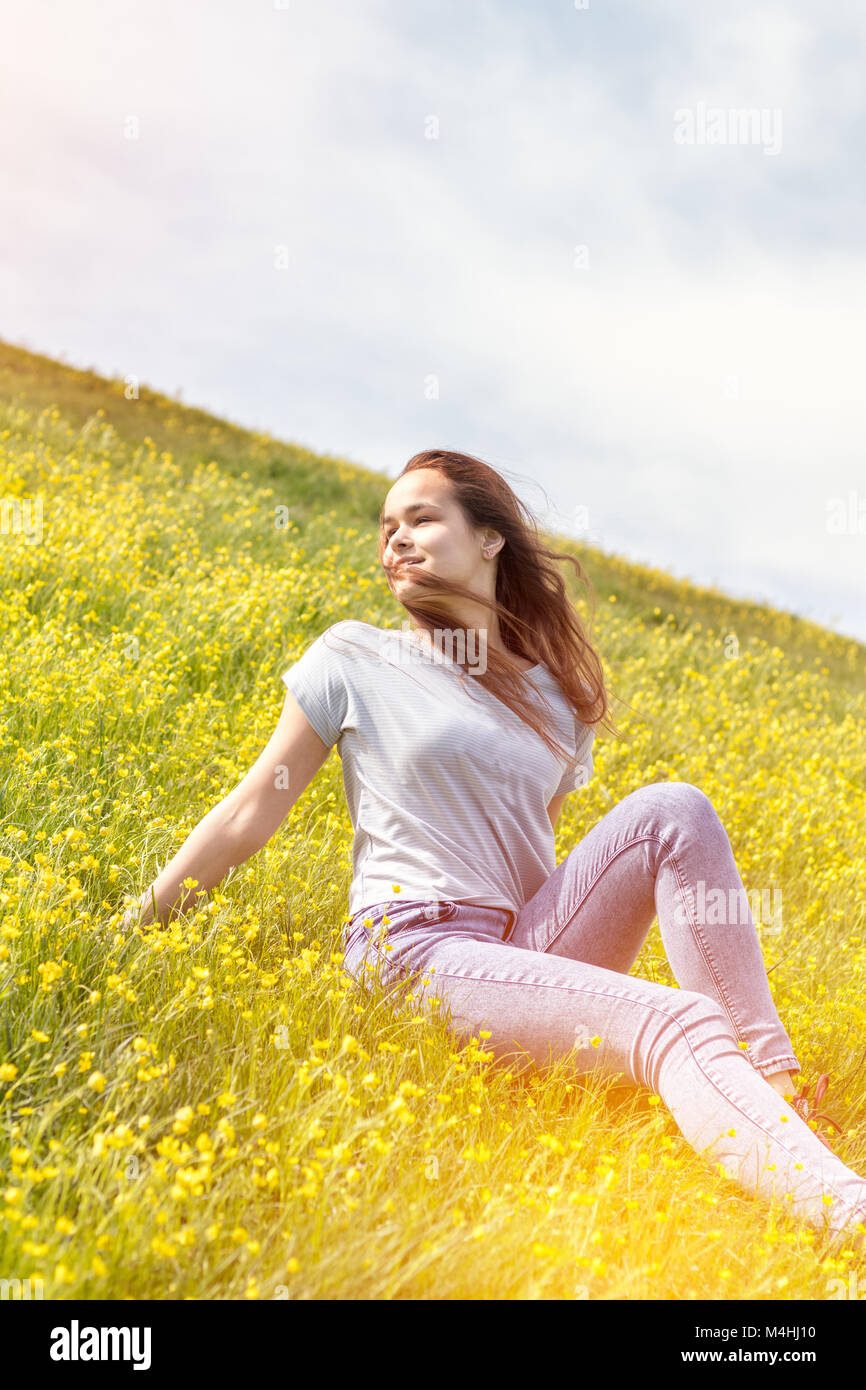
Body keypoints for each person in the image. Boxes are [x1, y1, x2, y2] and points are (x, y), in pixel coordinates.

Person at [123, 448, 866, 1252]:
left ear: (489, 540)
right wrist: (133, 930)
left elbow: (530, 856)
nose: (395, 540)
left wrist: (544, 976)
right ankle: (845, 1217)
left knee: (673, 810)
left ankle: (776, 1084)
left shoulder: (554, 697)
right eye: (385, 527)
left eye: (421, 518)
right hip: (413, 947)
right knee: (676, 1022)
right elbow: (245, 816)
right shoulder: (356, 657)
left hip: (513, 947)